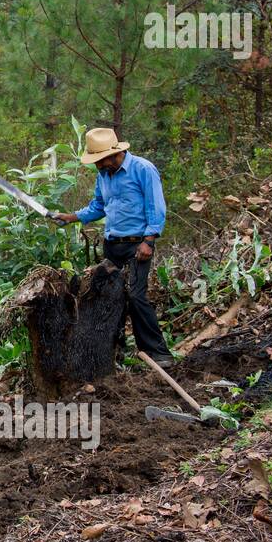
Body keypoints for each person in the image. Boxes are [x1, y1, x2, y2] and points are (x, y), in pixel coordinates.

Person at [53, 128, 175, 367]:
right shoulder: (104, 176)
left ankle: (158, 354)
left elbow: (156, 208)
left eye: (100, 160)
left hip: (137, 245)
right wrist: (71, 217)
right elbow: (98, 206)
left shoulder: (143, 170)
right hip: (113, 245)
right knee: (108, 296)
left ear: (114, 154)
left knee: (137, 296)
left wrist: (149, 241)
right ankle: (113, 352)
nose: (98, 166)